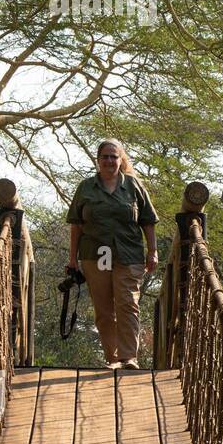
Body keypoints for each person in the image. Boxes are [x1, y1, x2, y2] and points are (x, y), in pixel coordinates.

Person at [65, 139, 159, 370]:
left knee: (127, 303)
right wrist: (72, 259)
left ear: (120, 159)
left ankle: (129, 358)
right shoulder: (86, 187)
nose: (109, 161)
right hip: (95, 255)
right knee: (104, 309)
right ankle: (113, 358)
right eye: (105, 157)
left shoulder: (134, 186)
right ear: (98, 160)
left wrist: (153, 251)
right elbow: (76, 224)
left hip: (129, 254)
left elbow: (148, 221)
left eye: (113, 157)